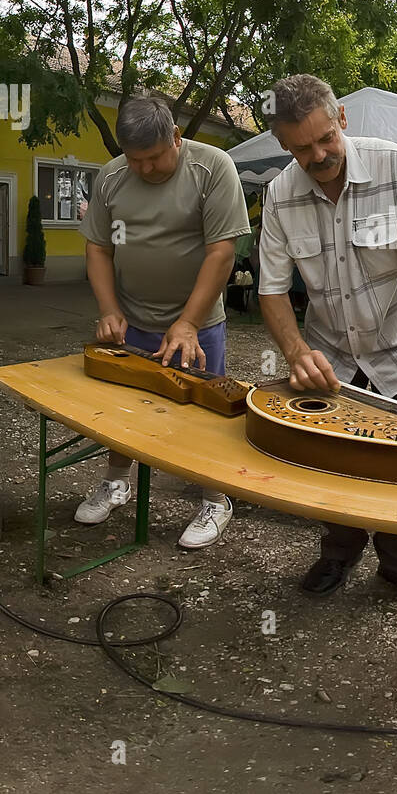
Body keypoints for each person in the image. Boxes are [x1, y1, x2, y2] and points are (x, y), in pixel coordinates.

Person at [255, 74, 397, 615]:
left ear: (341, 118)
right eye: (302, 148)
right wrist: (297, 353)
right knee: (333, 462)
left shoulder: (393, 166)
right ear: (283, 144)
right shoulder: (279, 195)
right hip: (331, 357)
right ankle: (338, 554)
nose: (319, 155)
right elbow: (271, 291)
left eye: (326, 138)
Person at [75, 92, 248, 551]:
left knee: (206, 409)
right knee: (122, 409)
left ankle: (215, 497)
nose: (145, 170)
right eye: (135, 160)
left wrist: (188, 322)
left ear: (175, 136)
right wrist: (109, 309)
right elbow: (97, 246)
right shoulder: (112, 178)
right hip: (134, 321)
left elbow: (222, 250)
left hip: (198, 323)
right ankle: (116, 482)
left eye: (153, 158)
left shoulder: (213, 169)